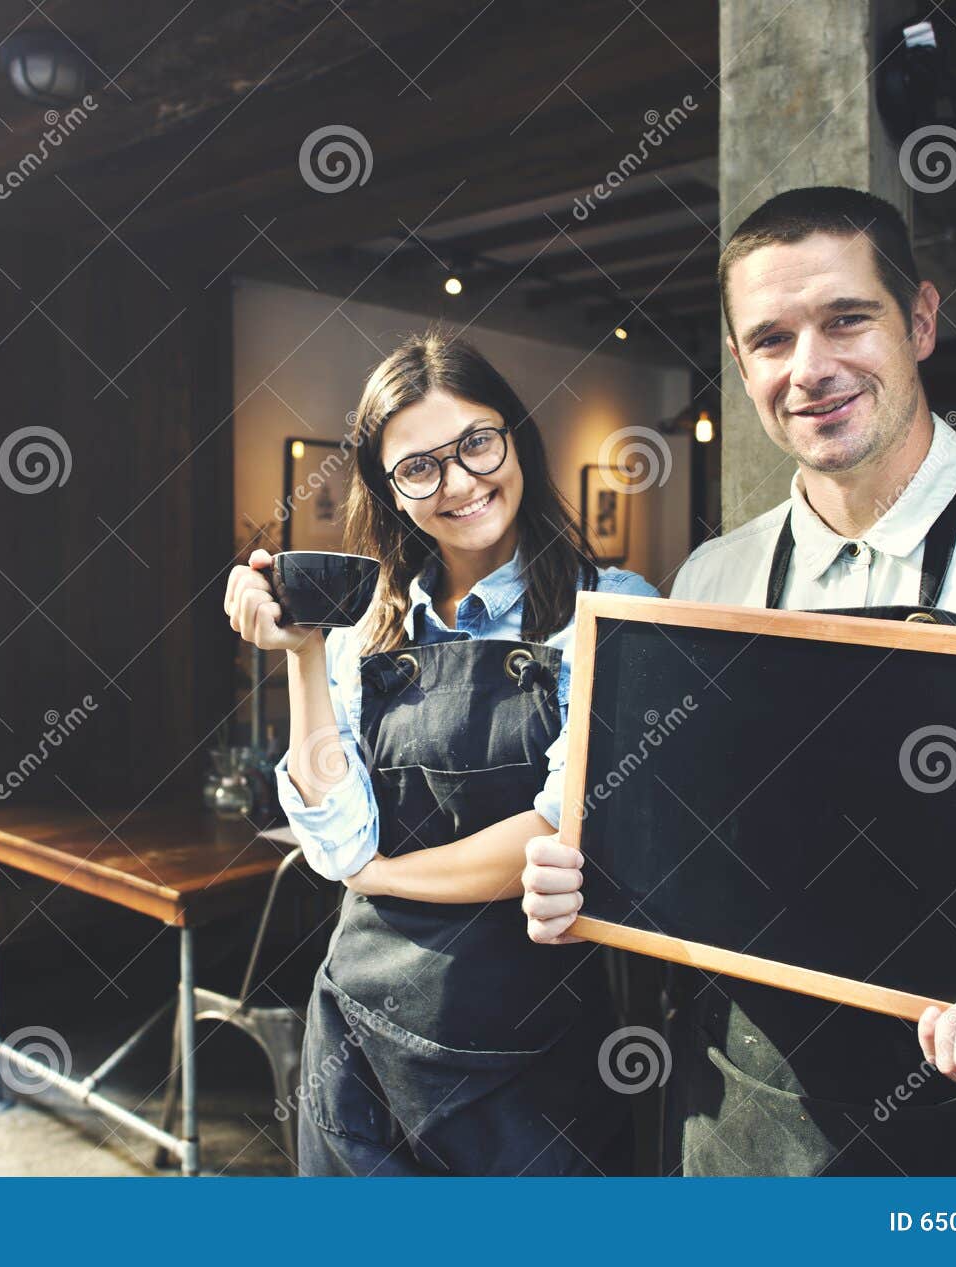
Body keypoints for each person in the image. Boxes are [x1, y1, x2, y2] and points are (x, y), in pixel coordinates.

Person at [521, 186, 956, 1176]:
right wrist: (574, 868)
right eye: (770, 339)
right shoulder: (709, 578)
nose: (809, 367)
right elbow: (648, 830)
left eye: (845, 319)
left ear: (921, 320)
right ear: (739, 364)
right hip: (741, 1112)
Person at [225, 331, 657, 1175]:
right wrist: (303, 653)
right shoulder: (362, 630)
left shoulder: (613, 611)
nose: (458, 482)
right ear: (390, 493)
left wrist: (380, 877)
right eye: (419, 467)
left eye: (476, 443)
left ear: (516, 437)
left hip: (535, 1057)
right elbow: (337, 838)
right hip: (359, 1047)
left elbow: (562, 828)